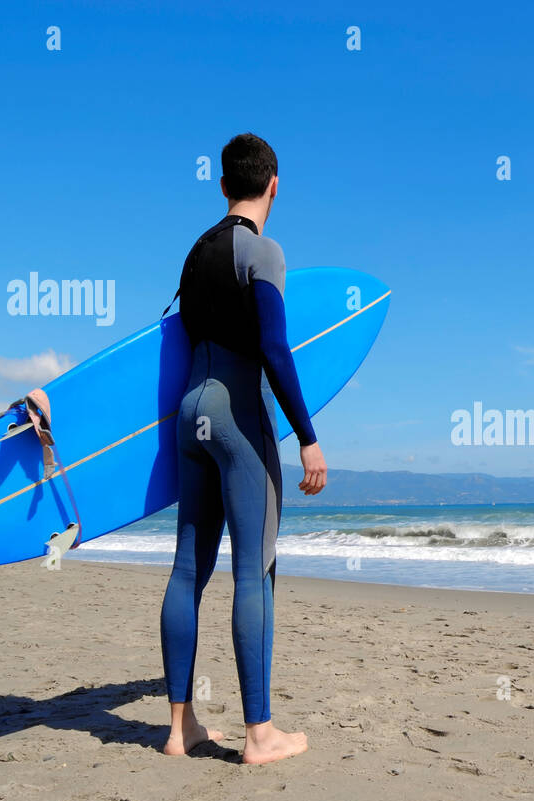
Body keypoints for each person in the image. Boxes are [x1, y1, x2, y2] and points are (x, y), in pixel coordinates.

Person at [159, 133, 327, 764]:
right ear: (273, 185)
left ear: (223, 183)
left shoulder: (196, 254)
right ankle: (260, 735)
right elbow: (274, 349)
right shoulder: (263, 251)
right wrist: (307, 438)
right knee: (253, 567)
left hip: (189, 415)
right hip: (236, 419)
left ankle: (180, 729)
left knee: (186, 568)